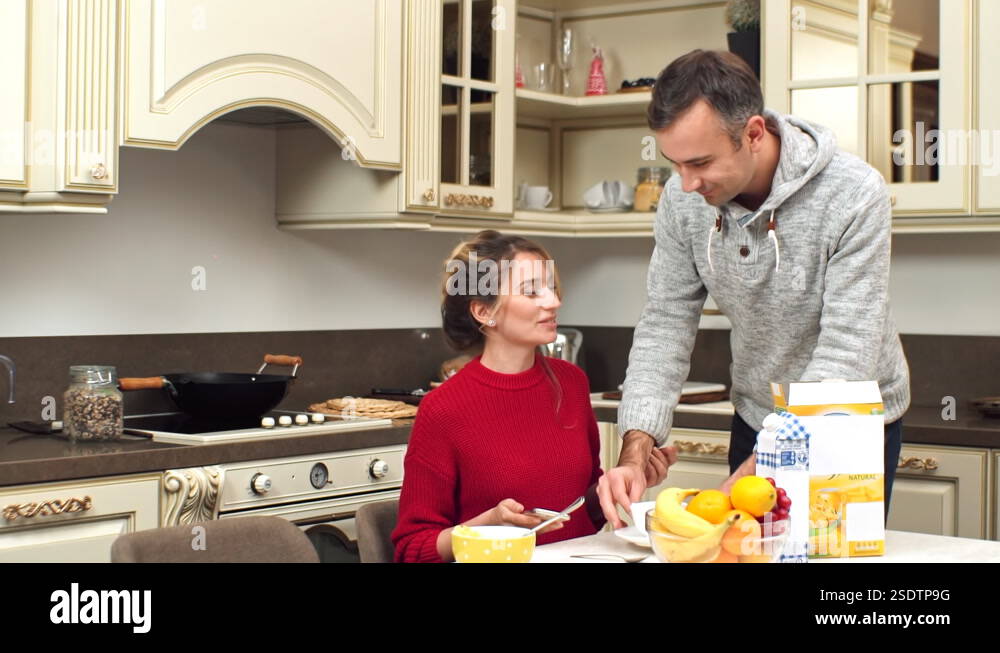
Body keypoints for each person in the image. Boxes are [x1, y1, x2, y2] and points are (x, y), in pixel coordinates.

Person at [597, 50, 911, 528]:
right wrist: (636, 446)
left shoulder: (854, 193)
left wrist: (772, 460)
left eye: (699, 162)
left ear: (754, 134)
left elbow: (847, 350)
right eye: (674, 164)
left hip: (848, 419)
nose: (684, 184)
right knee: (749, 555)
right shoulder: (685, 203)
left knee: (831, 569)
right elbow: (666, 322)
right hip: (758, 412)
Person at [392, 231, 672, 562]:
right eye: (531, 292)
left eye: (551, 287)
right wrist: (486, 527)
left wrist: (621, 486)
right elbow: (411, 548)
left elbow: (579, 514)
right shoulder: (443, 409)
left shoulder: (571, 383)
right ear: (484, 311)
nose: (553, 301)